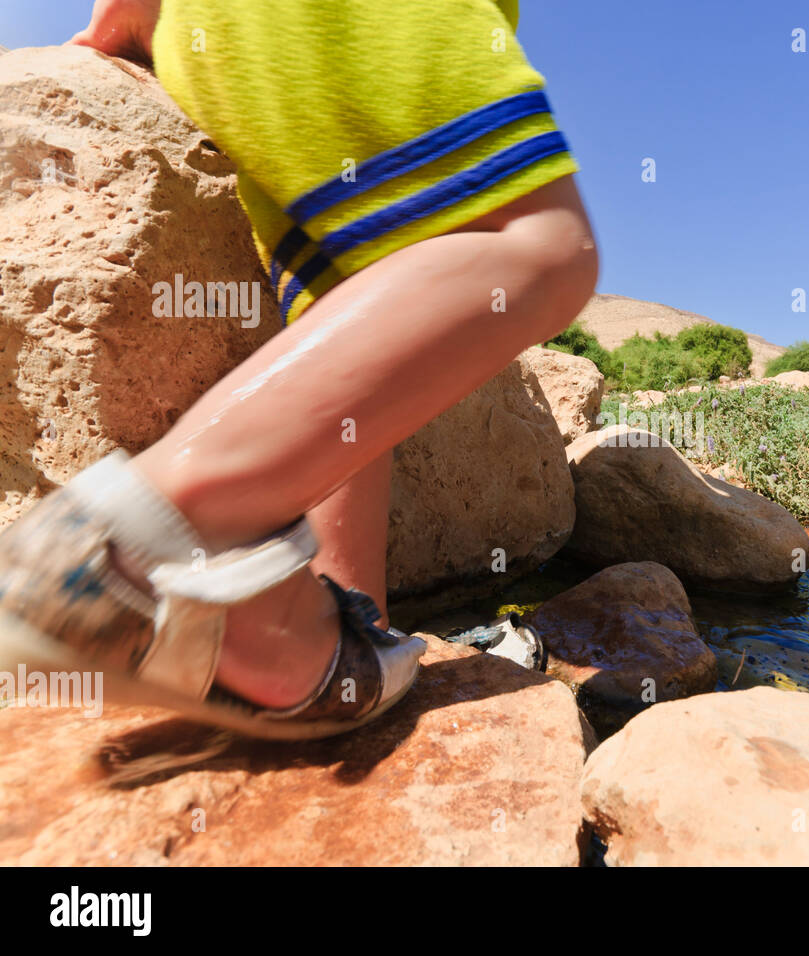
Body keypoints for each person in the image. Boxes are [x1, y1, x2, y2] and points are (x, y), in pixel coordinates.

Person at [0, 0, 598, 737]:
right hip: (342, 20)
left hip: (229, 50)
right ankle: (134, 549)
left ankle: (316, 638)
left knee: (360, 318)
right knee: (538, 246)